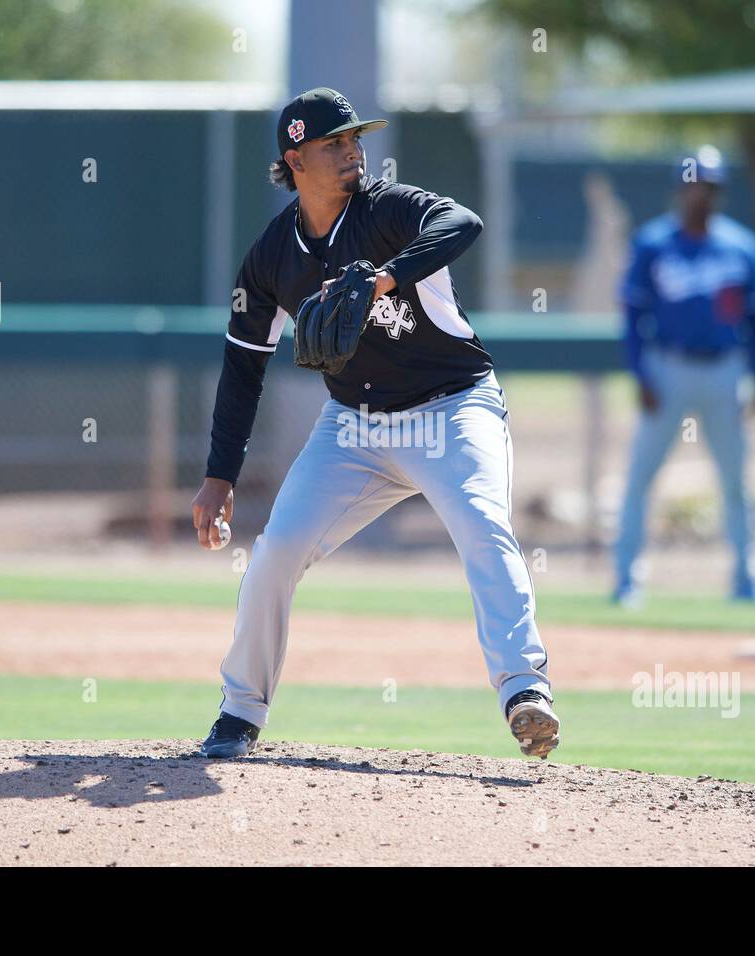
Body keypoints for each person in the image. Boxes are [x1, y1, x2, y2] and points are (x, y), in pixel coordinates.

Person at [190, 88, 557, 759]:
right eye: (335, 143)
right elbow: (242, 366)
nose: (353, 151)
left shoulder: (388, 210)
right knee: (275, 551)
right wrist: (219, 477)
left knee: (483, 526)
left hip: (453, 406)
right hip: (354, 428)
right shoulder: (273, 258)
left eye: (356, 138)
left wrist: (386, 279)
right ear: (294, 158)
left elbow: (462, 223)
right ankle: (239, 713)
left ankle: (524, 691)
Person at [612, 145, 755, 607]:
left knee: (735, 480)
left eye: (705, 186)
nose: (697, 194)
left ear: (717, 191)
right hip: (668, 368)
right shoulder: (653, 243)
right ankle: (627, 579)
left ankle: (746, 579)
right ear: (678, 188)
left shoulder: (741, 246)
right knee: (641, 476)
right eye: (690, 185)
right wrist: (641, 375)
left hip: (726, 370)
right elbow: (632, 318)